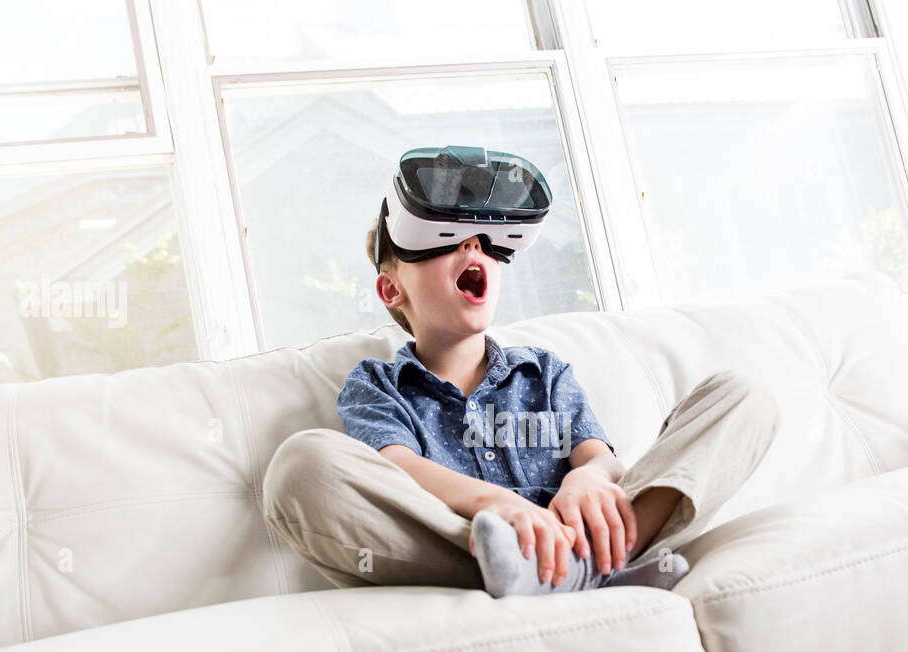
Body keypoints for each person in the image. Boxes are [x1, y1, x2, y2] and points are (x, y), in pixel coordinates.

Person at [263, 147, 779, 597]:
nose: (471, 247)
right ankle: (546, 568)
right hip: (468, 539)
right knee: (300, 465)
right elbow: (396, 466)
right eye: (445, 239)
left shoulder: (544, 373)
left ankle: (583, 563)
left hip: (581, 532)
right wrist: (494, 504)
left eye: (483, 240)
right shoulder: (378, 385)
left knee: (742, 397)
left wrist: (585, 479)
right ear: (392, 290)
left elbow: (602, 460)